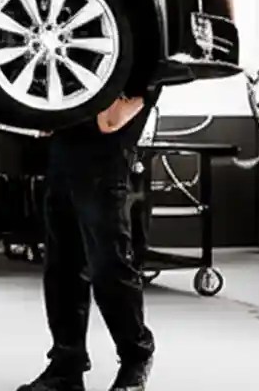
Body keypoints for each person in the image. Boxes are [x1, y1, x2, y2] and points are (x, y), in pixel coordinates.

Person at [18, 86, 161, 391]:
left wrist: (65, 106)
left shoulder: (143, 65)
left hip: (104, 162)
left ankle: (137, 357)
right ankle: (66, 366)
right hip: (64, 154)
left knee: (108, 264)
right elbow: (46, 122)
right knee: (61, 267)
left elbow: (109, 120)